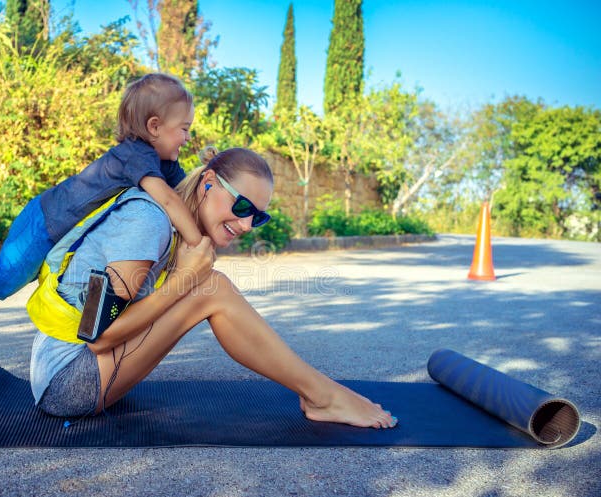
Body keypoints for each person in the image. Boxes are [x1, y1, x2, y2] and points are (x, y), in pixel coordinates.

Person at [29, 146, 398, 430]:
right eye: (242, 205)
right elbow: (97, 336)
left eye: (259, 215)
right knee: (213, 288)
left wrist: (187, 278)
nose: (249, 224)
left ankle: (320, 393)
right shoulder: (148, 220)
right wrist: (184, 280)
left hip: (76, 371)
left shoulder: (175, 230)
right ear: (207, 183)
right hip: (66, 381)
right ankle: (322, 396)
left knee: (209, 285)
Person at [0, 73, 202, 345]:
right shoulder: (135, 155)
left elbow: (185, 195)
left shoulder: (163, 163)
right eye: (184, 129)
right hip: (47, 220)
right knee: (13, 271)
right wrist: (197, 243)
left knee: (12, 271)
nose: (187, 138)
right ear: (154, 127)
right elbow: (169, 201)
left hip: (55, 221)